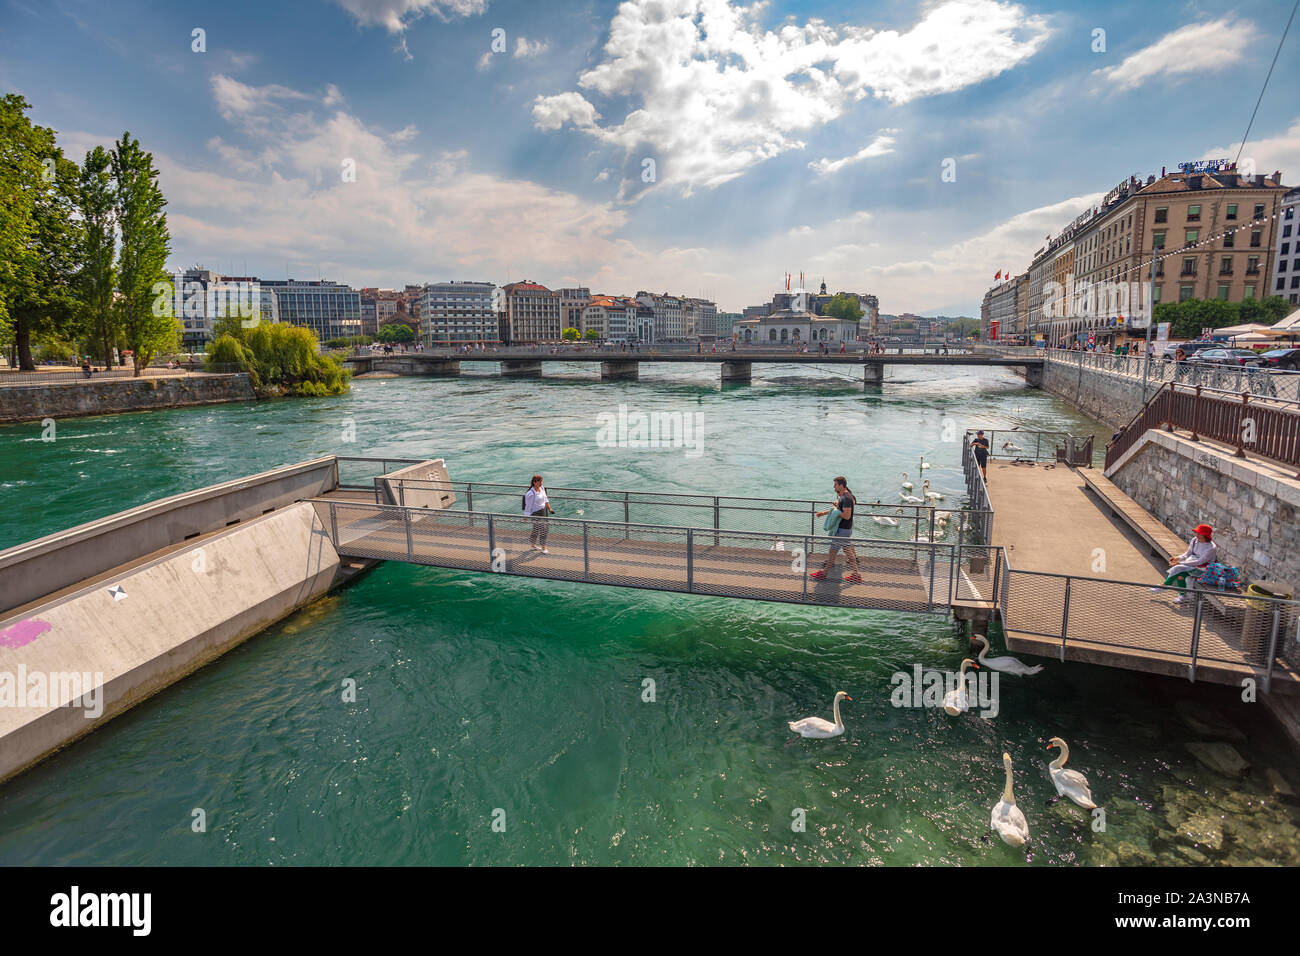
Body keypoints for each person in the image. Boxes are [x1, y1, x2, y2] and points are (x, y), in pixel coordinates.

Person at [809, 476, 861, 582]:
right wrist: (825, 513)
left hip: (843, 530)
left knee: (846, 552)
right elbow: (839, 510)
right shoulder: (843, 497)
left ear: (841, 485)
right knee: (834, 551)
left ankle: (856, 575)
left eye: (835, 485)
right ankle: (825, 573)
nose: (834, 487)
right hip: (842, 529)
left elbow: (846, 515)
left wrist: (836, 514)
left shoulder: (846, 498)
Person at [1150, 525, 1217, 605]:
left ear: (1205, 535)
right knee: (1180, 575)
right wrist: (1178, 558)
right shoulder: (1195, 540)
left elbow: (1200, 562)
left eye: (1199, 533)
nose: (1197, 535)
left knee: (1178, 567)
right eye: (1197, 533)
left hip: (1203, 569)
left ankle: (1164, 586)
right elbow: (1188, 554)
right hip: (1191, 565)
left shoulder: (1211, 548)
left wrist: (1180, 563)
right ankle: (1182, 596)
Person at [523, 474, 554, 554]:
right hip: (535, 513)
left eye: (541, 481)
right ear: (534, 482)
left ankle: (533, 544)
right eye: (539, 481)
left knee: (537, 529)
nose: (541, 483)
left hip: (543, 511)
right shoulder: (530, 494)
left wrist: (549, 508)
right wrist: (525, 517)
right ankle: (543, 547)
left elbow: (545, 499)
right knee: (543, 529)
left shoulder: (542, 488)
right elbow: (528, 506)